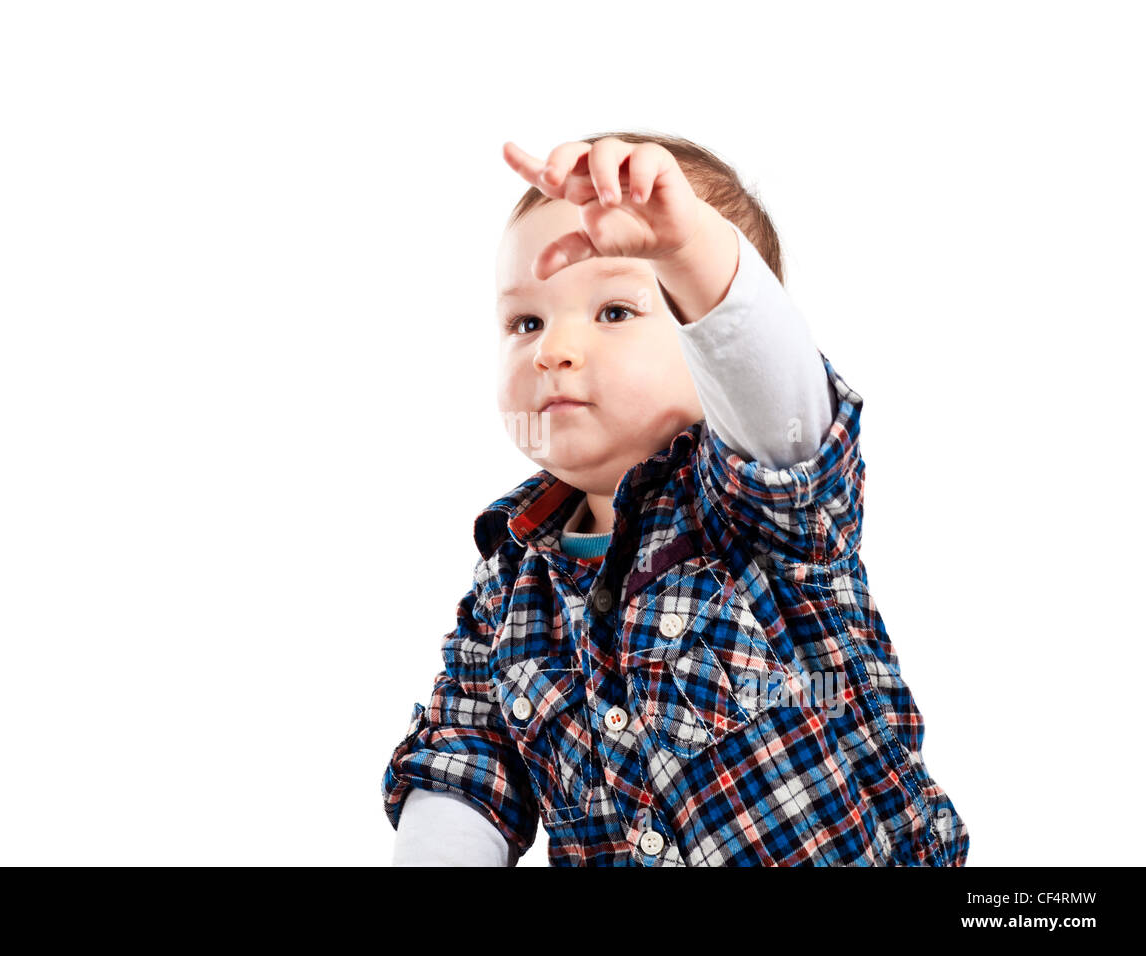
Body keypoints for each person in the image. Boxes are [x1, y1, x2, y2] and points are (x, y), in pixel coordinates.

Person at [382, 131, 970, 866]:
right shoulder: (506, 592)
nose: (551, 348)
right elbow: (461, 765)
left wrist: (690, 250)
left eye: (615, 312)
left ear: (710, 350)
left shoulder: (751, 507)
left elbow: (774, 398)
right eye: (525, 321)